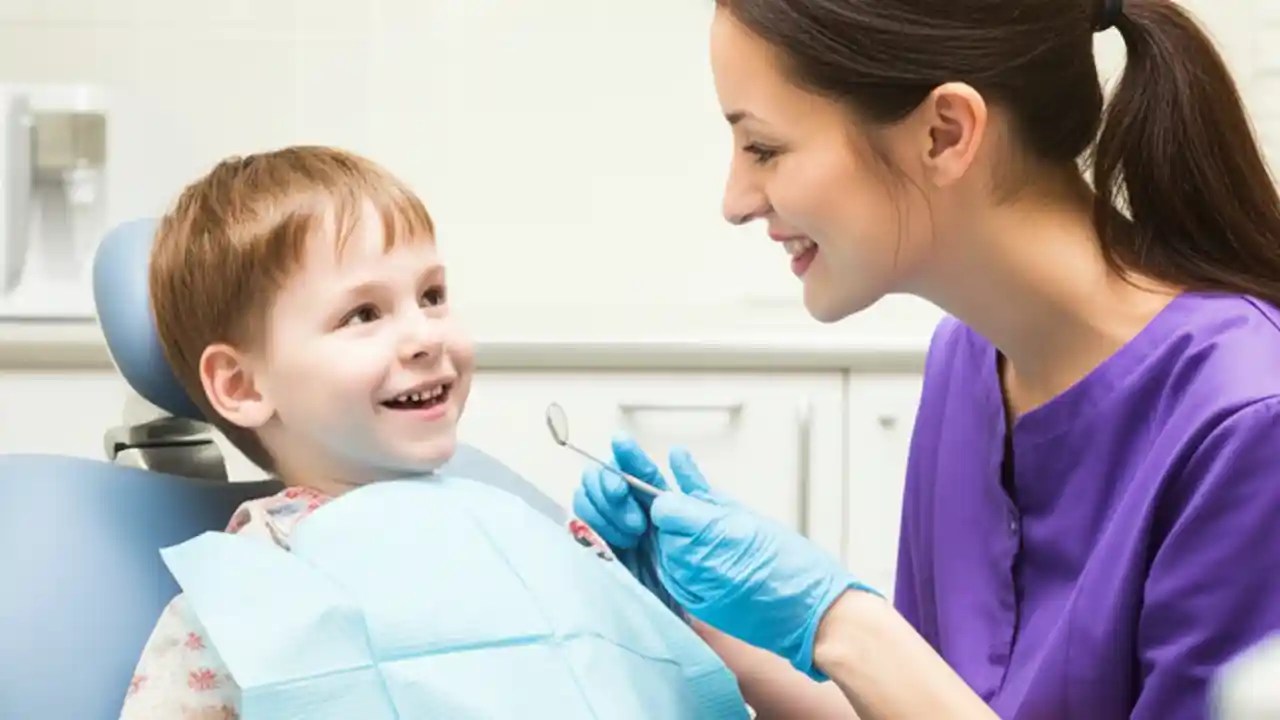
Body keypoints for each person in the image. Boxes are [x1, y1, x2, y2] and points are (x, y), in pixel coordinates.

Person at [575, 0, 1280, 718]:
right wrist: (704, 629)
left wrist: (841, 623)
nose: (735, 200)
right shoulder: (970, 360)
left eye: (764, 148)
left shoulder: (1248, 422)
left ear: (945, 133)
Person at [119, 146, 748, 719]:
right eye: (362, 313)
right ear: (242, 386)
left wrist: (686, 608)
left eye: (432, 295)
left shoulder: (543, 537)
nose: (425, 336)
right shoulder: (243, 600)